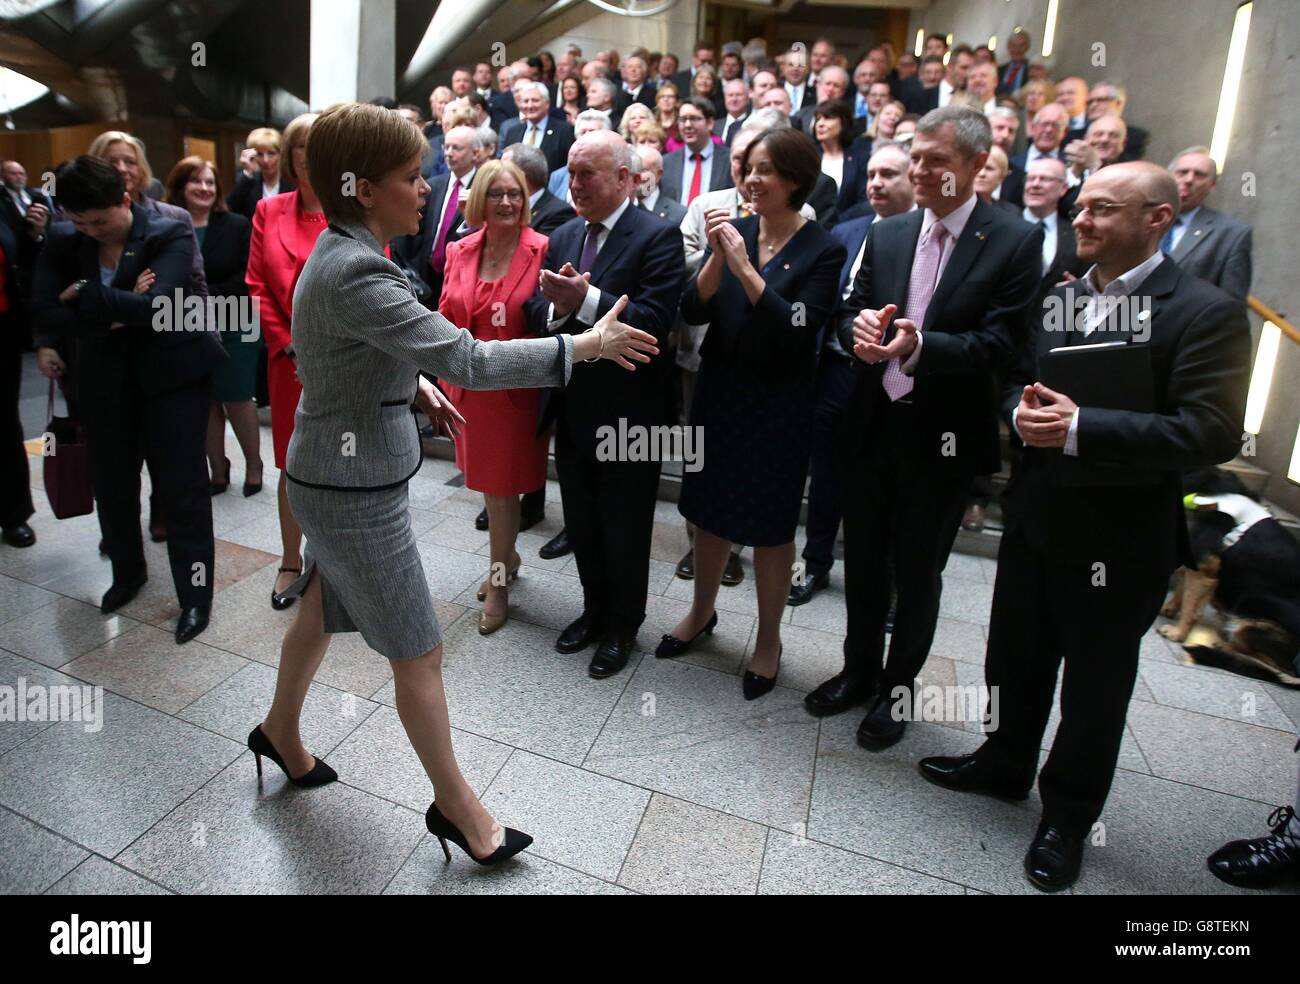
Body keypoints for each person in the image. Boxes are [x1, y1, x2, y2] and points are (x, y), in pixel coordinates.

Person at [258, 101, 656, 866]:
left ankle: (278, 732)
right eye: (412, 177)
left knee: (319, 608)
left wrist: (409, 383)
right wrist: (585, 347)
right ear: (364, 188)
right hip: (352, 494)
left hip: (328, 474)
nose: (429, 186)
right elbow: (470, 358)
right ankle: (463, 813)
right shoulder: (360, 269)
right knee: (421, 653)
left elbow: (347, 354)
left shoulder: (341, 251)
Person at [919, 162, 1251, 891]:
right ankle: (1005, 763)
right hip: (1038, 518)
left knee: (1096, 689)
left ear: (1159, 218)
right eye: (1080, 208)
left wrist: (1082, 429)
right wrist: (1018, 413)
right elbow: (1015, 376)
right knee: (1015, 657)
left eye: (1104, 209)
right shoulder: (1063, 294)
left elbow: (1213, 429)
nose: (1082, 221)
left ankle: (1067, 816)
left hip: (1121, 536)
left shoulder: (1204, 310)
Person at [804, 108, 1044, 746]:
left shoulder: (1014, 241)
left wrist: (921, 346)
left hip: (942, 436)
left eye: (935, 159)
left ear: (974, 165)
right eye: (915, 156)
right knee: (863, 563)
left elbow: (1003, 344)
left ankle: (898, 692)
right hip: (871, 422)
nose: (919, 169)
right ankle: (858, 671)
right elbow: (850, 309)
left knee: (916, 573)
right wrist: (854, 330)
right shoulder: (889, 232)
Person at [659, 126, 845, 699]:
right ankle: (702, 612)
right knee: (709, 512)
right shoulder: (735, 230)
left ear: (794, 180)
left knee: (768, 527)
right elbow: (692, 307)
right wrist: (720, 257)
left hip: (780, 403)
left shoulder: (823, 246)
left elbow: (801, 328)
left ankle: (768, 639)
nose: (751, 179)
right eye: (747, 168)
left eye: (765, 170)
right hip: (721, 392)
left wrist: (743, 267)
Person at [31, 156, 225, 642]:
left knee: (183, 492)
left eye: (100, 220)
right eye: (79, 222)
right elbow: (45, 313)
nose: (91, 231)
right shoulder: (62, 240)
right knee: (113, 486)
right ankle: (127, 574)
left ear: (125, 199)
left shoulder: (168, 233)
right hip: (101, 385)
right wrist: (122, 301)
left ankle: (195, 597)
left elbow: (164, 309)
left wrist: (87, 295)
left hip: (173, 379)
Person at [525, 130, 685, 679]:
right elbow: (537, 309)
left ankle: (623, 625)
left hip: (633, 414)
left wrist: (585, 301)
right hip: (574, 405)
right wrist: (553, 308)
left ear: (625, 178)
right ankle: (593, 611)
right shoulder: (563, 234)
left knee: (625, 525)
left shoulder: (658, 237)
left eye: (587, 173)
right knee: (583, 522)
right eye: (569, 173)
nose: (574, 184)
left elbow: (656, 325)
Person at [792, 141, 916, 606]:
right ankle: (816, 564)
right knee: (825, 475)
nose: (877, 183)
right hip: (836, 369)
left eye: (890, 174)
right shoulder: (847, 230)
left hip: (895, 376)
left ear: (913, 180)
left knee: (887, 487)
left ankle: (884, 585)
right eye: (872, 175)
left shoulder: (923, 238)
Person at [437, 160, 553, 635]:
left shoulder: (542, 248)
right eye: (497, 194)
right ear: (480, 200)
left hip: (515, 389)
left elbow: (548, 318)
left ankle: (499, 581)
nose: (507, 203)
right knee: (489, 487)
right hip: (468, 387)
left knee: (504, 495)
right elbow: (444, 311)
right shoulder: (459, 250)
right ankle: (508, 556)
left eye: (516, 195)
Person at [86, 129, 209, 546]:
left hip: (167, 351)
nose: (123, 169)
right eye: (112, 161)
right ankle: (120, 530)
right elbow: (67, 298)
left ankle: (162, 511)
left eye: (130, 160)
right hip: (106, 360)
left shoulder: (170, 219)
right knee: (117, 458)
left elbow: (189, 286)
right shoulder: (81, 223)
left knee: (170, 456)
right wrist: (127, 302)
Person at [244, 112, 323, 611]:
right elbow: (255, 285)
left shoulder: (356, 212)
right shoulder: (269, 211)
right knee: (292, 468)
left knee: (340, 463)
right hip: (288, 362)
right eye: (303, 147)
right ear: (291, 157)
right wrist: (287, 341)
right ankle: (290, 560)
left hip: (342, 364)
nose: (311, 156)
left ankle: (338, 566)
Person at [163, 157, 262, 499]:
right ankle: (217, 469)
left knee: (237, 397)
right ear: (179, 187)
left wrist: (195, 297)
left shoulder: (235, 224)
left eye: (210, 182)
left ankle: (254, 465)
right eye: (196, 182)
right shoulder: (166, 223)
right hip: (184, 324)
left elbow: (246, 277)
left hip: (235, 319)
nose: (205, 188)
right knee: (204, 400)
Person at [1165, 146, 1252, 302]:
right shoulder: (1139, 219)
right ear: (1168, 177)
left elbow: (1231, 304)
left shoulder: (1231, 234)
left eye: (1199, 175)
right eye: (1182, 172)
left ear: (1212, 185)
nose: (1189, 179)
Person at [0, 210, 34, 548]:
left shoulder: (2, 210)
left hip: (4, 327)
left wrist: (33, 236)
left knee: (6, 423)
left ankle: (14, 513)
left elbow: (19, 264)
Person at [660, 97, 733, 204]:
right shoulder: (666, 162)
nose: (688, 125)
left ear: (710, 123)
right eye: (683, 119)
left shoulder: (729, 160)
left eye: (694, 119)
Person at [813, 99, 868, 216]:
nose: (820, 124)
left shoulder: (860, 157)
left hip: (848, 224)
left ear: (843, 122)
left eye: (827, 118)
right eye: (818, 119)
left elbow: (863, 199)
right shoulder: (808, 156)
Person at [227, 128, 295, 219]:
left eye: (271, 153)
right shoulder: (248, 182)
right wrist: (248, 172)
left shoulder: (292, 182)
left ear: (280, 154)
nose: (266, 160)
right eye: (260, 154)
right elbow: (231, 209)